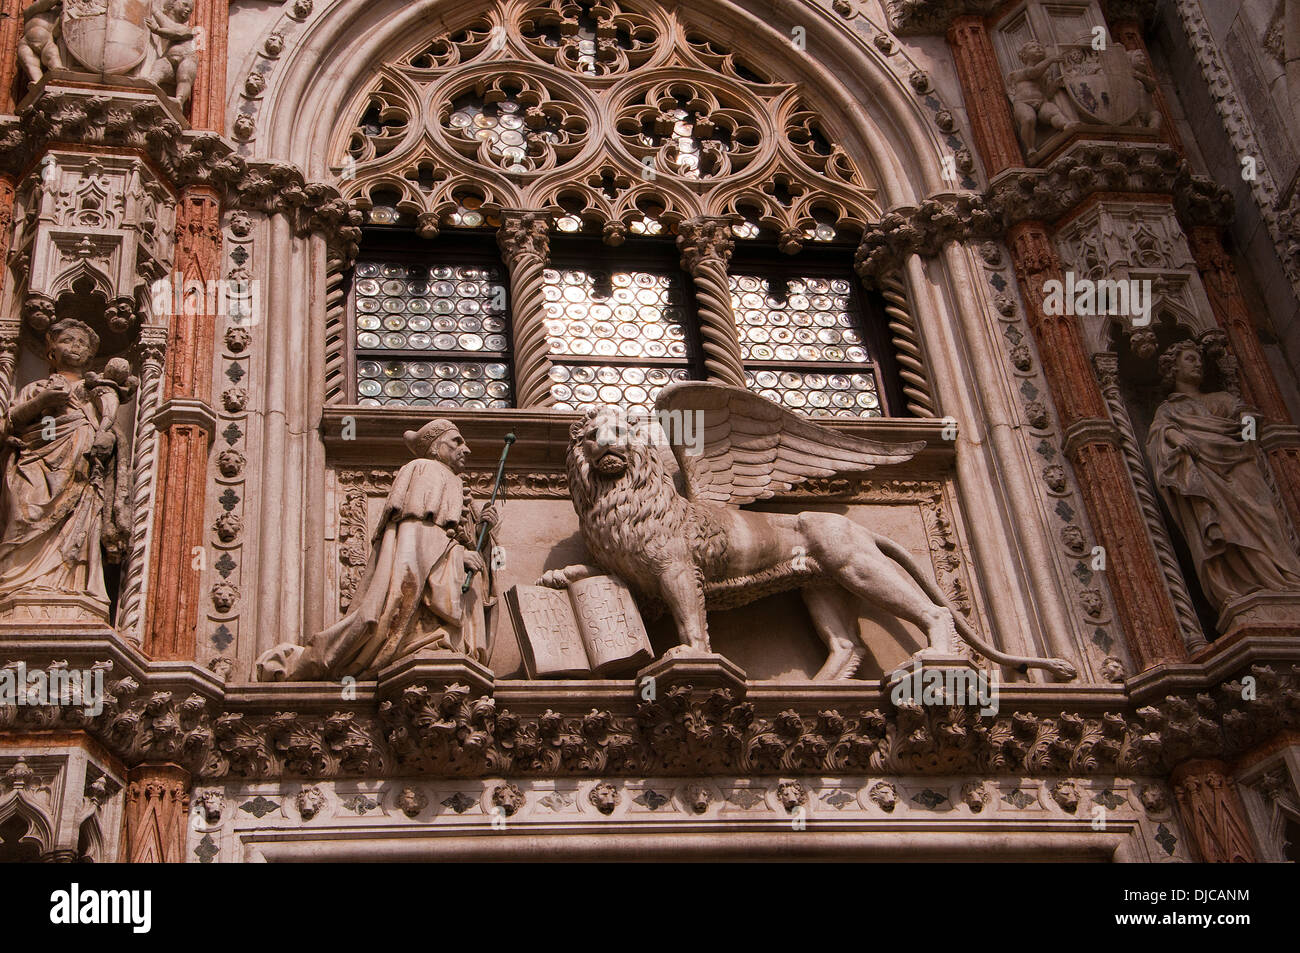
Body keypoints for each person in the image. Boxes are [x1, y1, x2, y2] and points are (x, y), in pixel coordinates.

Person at [257, 419, 498, 680]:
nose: (467, 449)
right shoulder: (426, 469)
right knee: (379, 626)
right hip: (425, 587)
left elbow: (459, 542)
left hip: (445, 591)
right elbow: (417, 538)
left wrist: (483, 535)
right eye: (457, 442)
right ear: (435, 447)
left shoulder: (454, 482)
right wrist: (457, 557)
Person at [1146, 341, 1300, 609]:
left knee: (1265, 515)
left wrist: (1247, 423)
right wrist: (1173, 435)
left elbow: (1248, 431)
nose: (1198, 364)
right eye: (1190, 359)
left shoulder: (1223, 399)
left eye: (1199, 360)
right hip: (1205, 471)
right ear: (1174, 368)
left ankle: (1285, 577)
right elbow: (1158, 435)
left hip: (1240, 465)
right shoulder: (1169, 410)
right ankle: (1242, 587)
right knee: (1225, 528)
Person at [0, 319, 130, 615]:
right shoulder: (36, 388)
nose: (75, 347)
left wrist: (105, 436)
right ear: (51, 352)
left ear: (91, 356)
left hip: (82, 468)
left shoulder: (94, 389)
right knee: (25, 512)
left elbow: (109, 425)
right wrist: (43, 403)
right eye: (68, 340)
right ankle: (16, 587)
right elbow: (30, 428)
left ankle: (69, 588)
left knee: (78, 522)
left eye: (82, 343)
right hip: (36, 462)